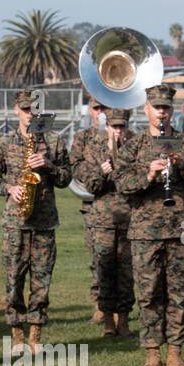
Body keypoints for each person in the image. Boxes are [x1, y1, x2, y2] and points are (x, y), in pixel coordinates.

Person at [114, 84, 184, 366]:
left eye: (166, 107)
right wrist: (148, 174)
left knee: (178, 293)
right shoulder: (133, 146)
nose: (161, 112)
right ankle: (152, 351)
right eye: (156, 107)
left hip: (181, 228)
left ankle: (175, 351)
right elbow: (122, 185)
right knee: (148, 293)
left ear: (172, 110)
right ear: (146, 110)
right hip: (145, 231)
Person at [0, 90, 72, 353]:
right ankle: (16, 334)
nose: (30, 114)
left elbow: (66, 178)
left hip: (44, 223)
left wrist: (48, 164)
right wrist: (10, 188)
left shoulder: (55, 142)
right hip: (15, 222)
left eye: (34, 109)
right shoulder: (3, 144)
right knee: (14, 280)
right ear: (16, 110)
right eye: (25, 110)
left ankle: (35, 335)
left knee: (42, 281)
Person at [73, 107, 134, 337]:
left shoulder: (134, 149)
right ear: (106, 127)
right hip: (103, 220)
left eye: (122, 127)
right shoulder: (95, 150)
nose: (118, 131)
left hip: (129, 218)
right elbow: (91, 186)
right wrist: (102, 171)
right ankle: (108, 320)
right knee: (105, 270)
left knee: (127, 272)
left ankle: (124, 319)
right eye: (114, 127)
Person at [70, 96, 109, 327]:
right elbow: (76, 167)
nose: (101, 112)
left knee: (124, 262)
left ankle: (120, 310)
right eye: (97, 108)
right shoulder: (82, 139)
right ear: (90, 111)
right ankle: (99, 306)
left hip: (122, 208)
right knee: (98, 260)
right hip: (93, 208)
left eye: (105, 107)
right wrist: (99, 173)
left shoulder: (124, 135)